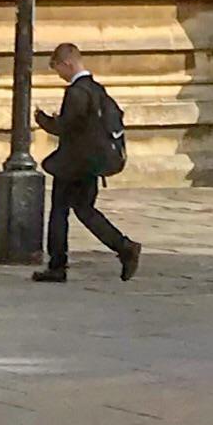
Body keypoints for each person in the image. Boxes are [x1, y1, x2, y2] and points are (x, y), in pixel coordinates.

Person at [31, 38, 140, 285]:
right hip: (91, 162)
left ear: (67, 63)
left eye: (58, 68)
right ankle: (124, 246)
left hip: (73, 164)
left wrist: (43, 120)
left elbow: (66, 127)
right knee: (85, 210)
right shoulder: (97, 89)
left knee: (59, 211)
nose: (58, 74)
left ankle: (57, 265)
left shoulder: (77, 92)